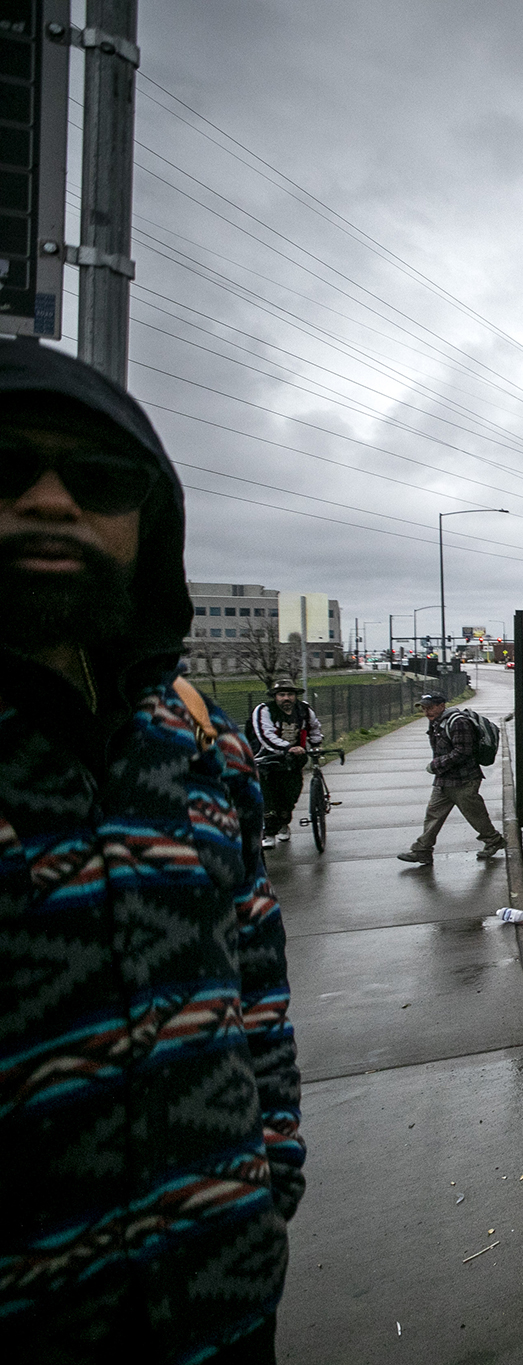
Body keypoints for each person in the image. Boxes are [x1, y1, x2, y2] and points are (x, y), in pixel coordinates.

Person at [0, 343, 303, 1363]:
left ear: (148, 522)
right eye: (8, 467)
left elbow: (257, 979)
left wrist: (268, 1171)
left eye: (99, 481)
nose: (51, 501)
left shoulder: (196, 744)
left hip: (226, 1300)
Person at [396, 691, 506, 864]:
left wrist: (436, 765)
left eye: (430, 708)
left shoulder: (458, 722)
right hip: (445, 779)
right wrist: (439, 768)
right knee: (433, 815)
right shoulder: (437, 722)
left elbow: (463, 751)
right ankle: (422, 850)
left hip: (464, 779)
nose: (426, 712)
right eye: (424, 709)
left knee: (475, 814)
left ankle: (494, 840)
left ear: (441, 706)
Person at [250, 679, 323, 849]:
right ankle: (269, 833)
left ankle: (284, 824)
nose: (286, 698)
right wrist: (287, 748)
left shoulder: (304, 710)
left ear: (295, 696)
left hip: (294, 761)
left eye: (290, 694)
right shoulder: (264, 710)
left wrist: (315, 745)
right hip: (268, 760)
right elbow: (265, 735)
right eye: (281, 694)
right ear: (275, 696)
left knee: (290, 797)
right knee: (269, 800)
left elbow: (314, 727)